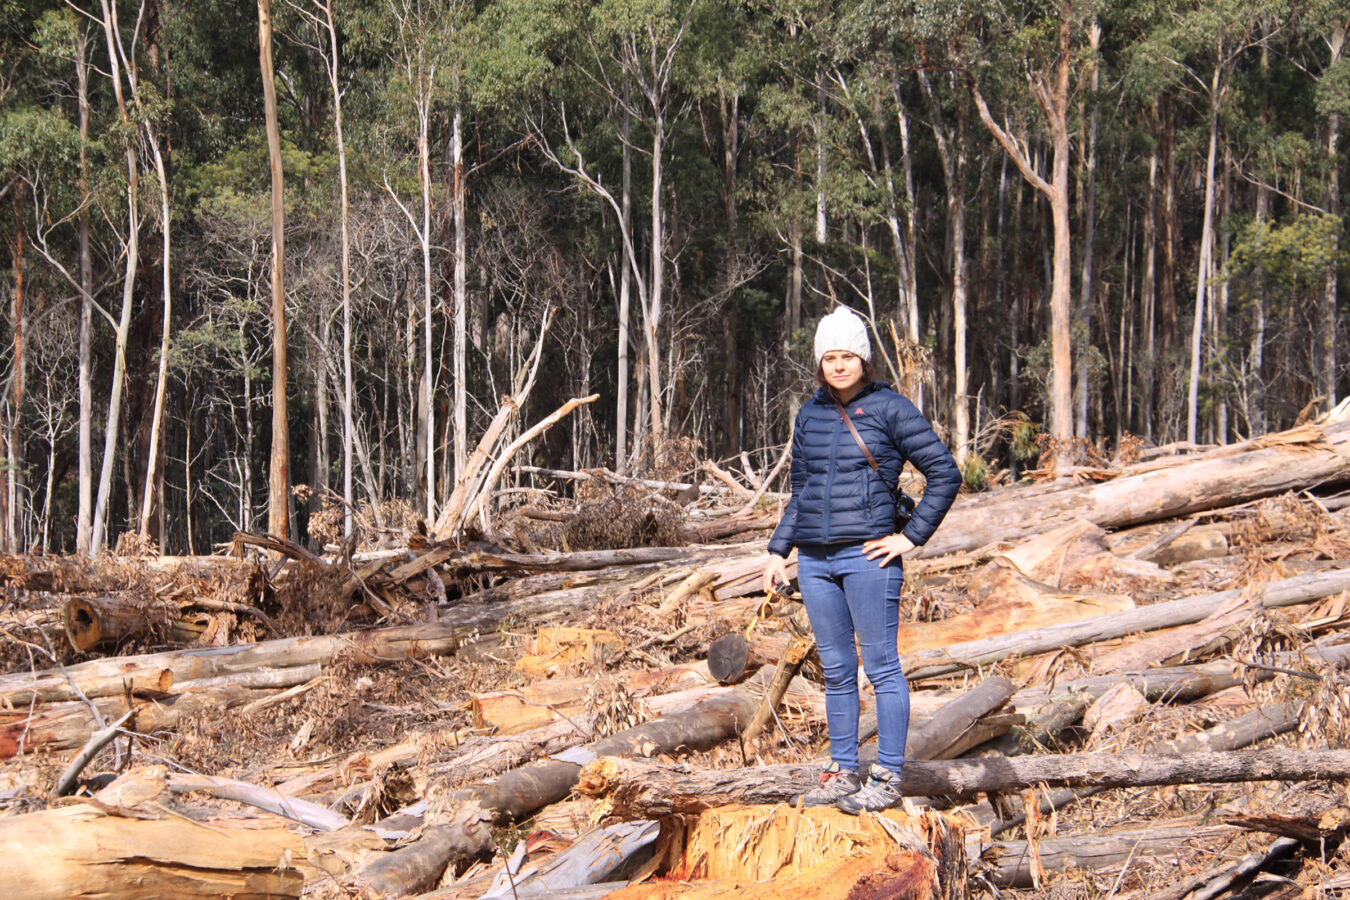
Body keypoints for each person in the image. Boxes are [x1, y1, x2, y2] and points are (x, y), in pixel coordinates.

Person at [762, 306, 961, 814]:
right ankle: (842, 771)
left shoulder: (892, 409)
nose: (838, 365)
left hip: (869, 557)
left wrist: (910, 538)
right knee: (837, 669)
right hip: (815, 561)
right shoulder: (809, 414)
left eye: (847, 355)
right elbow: (801, 490)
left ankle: (888, 775)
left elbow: (944, 473)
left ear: (863, 359)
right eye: (829, 357)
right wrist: (778, 550)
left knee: (883, 668)